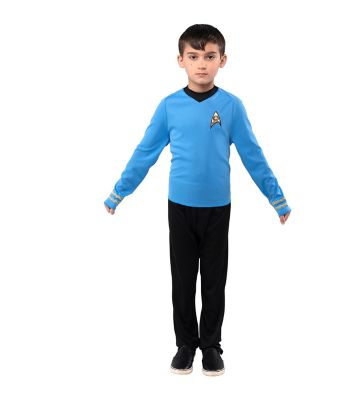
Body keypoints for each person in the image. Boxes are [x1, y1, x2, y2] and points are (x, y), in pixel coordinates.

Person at [104, 24, 291, 376]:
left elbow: (253, 155)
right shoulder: (169, 107)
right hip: (180, 207)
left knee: (214, 281)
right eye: (193, 56)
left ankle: (211, 346)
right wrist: (119, 192)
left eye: (209, 56)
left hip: (218, 209)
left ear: (223, 60)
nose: (201, 64)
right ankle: (185, 345)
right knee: (183, 279)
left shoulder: (231, 107)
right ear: (180, 60)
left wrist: (276, 198)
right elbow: (145, 153)